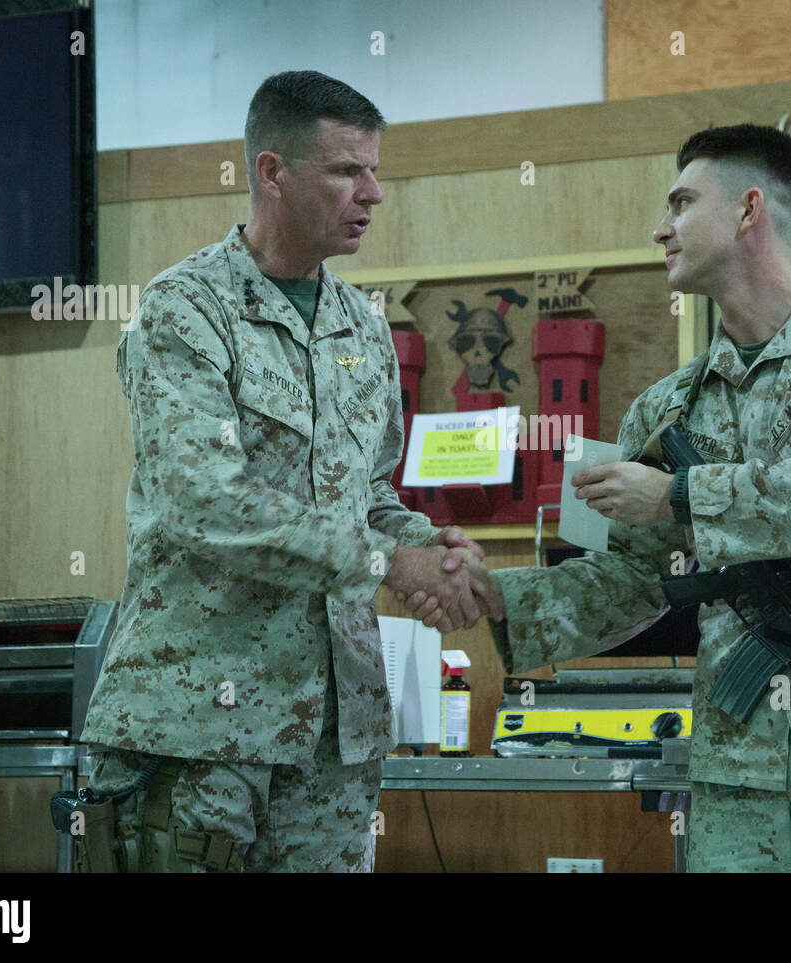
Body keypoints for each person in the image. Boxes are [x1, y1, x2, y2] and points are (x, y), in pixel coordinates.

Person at [404, 123, 791, 872]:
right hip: (738, 781)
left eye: (681, 203)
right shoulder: (662, 410)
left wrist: (680, 493)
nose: (661, 228)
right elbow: (635, 577)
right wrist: (493, 595)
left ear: (750, 210)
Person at [80, 70, 498, 873]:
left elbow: (370, 495)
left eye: (375, 169)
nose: (372, 192)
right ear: (272, 172)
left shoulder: (364, 329)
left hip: (335, 733)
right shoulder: (184, 310)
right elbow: (205, 502)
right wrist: (389, 562)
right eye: (347, 170)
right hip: (201, 725)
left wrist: (436, 550)